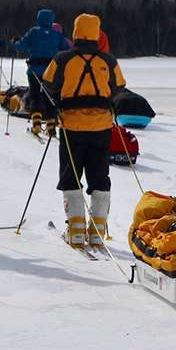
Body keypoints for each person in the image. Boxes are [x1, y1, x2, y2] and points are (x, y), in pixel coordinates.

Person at [41, 13, 126, 248]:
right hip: (101, 127)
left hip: (72, 127)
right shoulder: (108, 61)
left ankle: (76, 230)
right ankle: (97, 231)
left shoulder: (63, 59)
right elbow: (119, 87)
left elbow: (47, 84)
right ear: (96, 33)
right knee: (99, 176)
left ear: (76, 32)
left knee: (71, 175)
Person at [14, 9, 68, 137]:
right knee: (49, 97)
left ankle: (37, 123)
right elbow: (66, 49)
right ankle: (51, 126)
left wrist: (15, 43)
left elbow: (22, 46)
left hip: (34, 71)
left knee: (35, 95)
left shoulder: (33, 32)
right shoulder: (57, 35)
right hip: (51, 72)